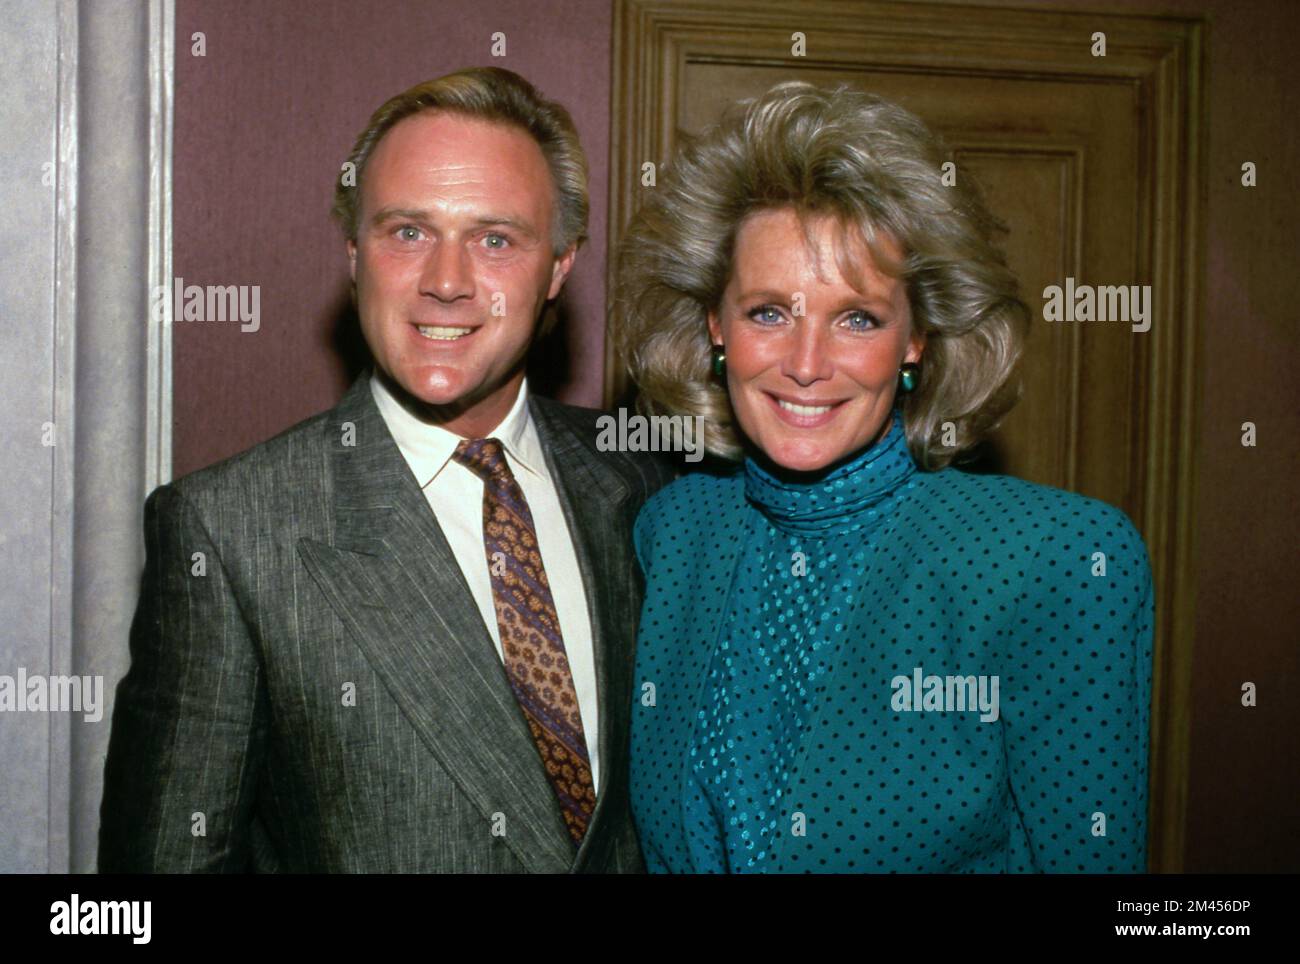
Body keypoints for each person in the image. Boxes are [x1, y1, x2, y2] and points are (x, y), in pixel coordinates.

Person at [99, 67, 673, 873]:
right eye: (407, 231)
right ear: (354, 253)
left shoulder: (649, 483)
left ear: (559, 268)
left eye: (496, 238)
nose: (445, 280)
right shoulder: (230, 531)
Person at [613, 80, 1153, 873]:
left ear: (916, 342)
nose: (805, 365)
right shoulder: (679, 532)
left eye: (856, 318)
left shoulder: (1057, 561)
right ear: (714, 326)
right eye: (769, 312)